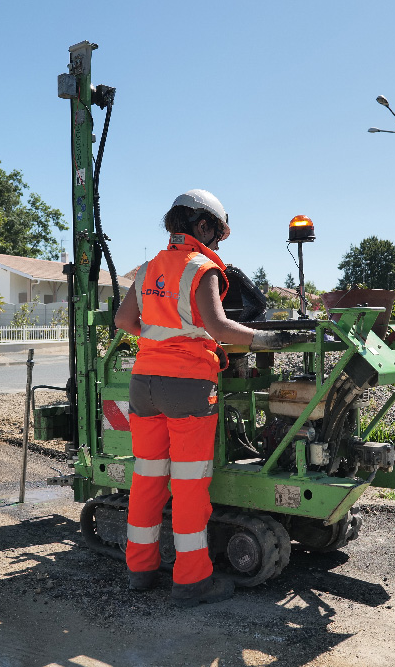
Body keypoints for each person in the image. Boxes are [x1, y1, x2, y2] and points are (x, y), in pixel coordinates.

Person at [113, 189, 292, 608]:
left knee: (148, 478)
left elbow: (125, 321)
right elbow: (219, 326)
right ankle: (191, 581)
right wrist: (272, 339)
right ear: (204, 226)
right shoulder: (202, 268)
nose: (217, 245)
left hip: (144, 384)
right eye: (217, 235)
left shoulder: (147, 268)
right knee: (190, 485)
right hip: (188, 386)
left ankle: (139, 570)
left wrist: (161, 339)